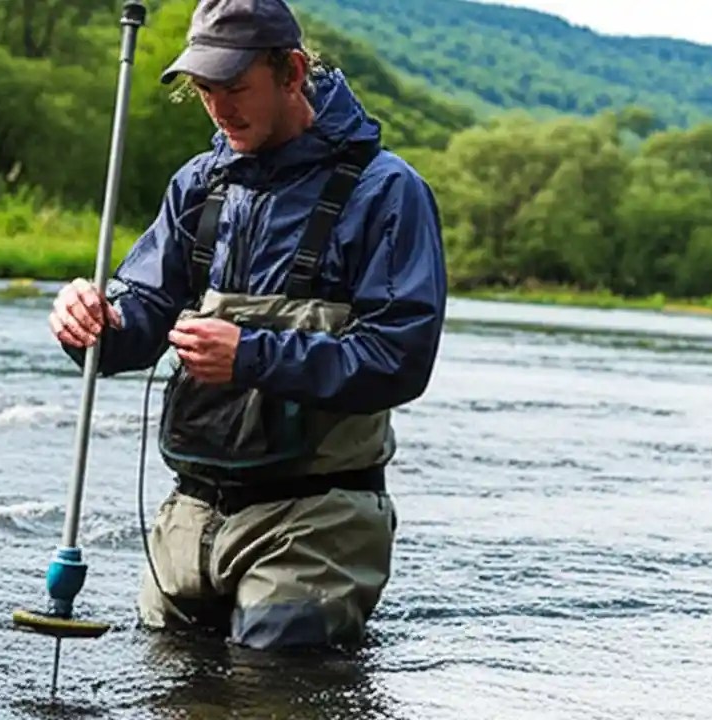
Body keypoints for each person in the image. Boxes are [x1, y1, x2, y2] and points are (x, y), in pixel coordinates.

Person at [49, 0, 447, 651]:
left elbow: (399, 360)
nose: (219, 109)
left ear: (292, 72)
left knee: (273, 683)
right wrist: (92, 323)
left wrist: (252, 356)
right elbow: (139, 322)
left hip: (316, 519)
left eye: (235, 88)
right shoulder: (198, 187)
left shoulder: (387, 192)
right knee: (166, 680)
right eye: (205, 91)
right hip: (191, 518)